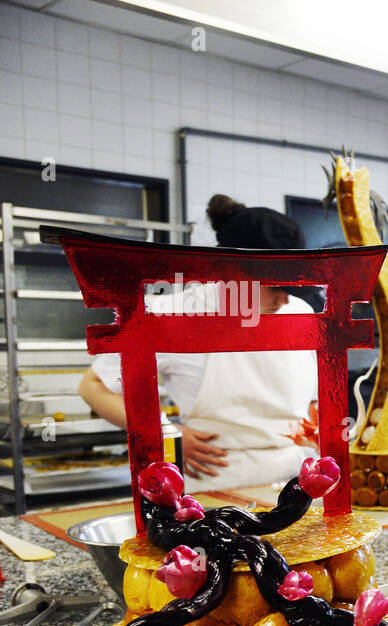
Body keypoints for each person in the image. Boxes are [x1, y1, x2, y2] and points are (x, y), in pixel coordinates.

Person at [78, 197, 320, 490]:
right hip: (213, 489)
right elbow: (94, 387)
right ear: (232, 272)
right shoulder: (172, 315)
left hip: (296, 482)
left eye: (294, 286)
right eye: (276, 287)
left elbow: (312, 401)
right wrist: (166, 432)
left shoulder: (300, 313)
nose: (285, 298)